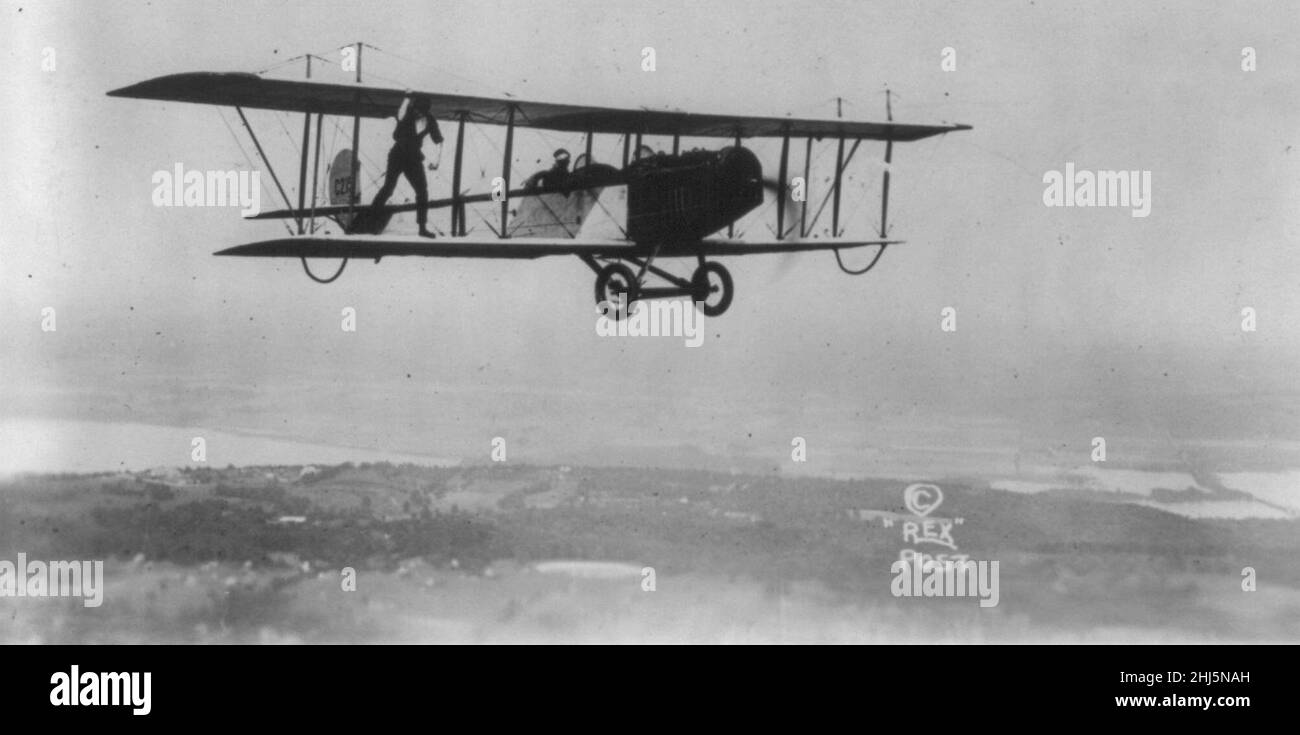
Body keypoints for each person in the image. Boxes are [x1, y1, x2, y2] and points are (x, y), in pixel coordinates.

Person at [367, 94, 443, 238]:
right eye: (416, 110)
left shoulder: (430, 120)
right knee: (388, 188)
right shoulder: (406, 114)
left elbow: (438, 140)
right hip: (398, 155)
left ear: (426, 111)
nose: (418, 113)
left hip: (413, 158)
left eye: (421, 111)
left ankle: (422, 228)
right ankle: (370, 221)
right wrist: (406, 98)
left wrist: (437, 161)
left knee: (422, 191)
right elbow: (400, 114)